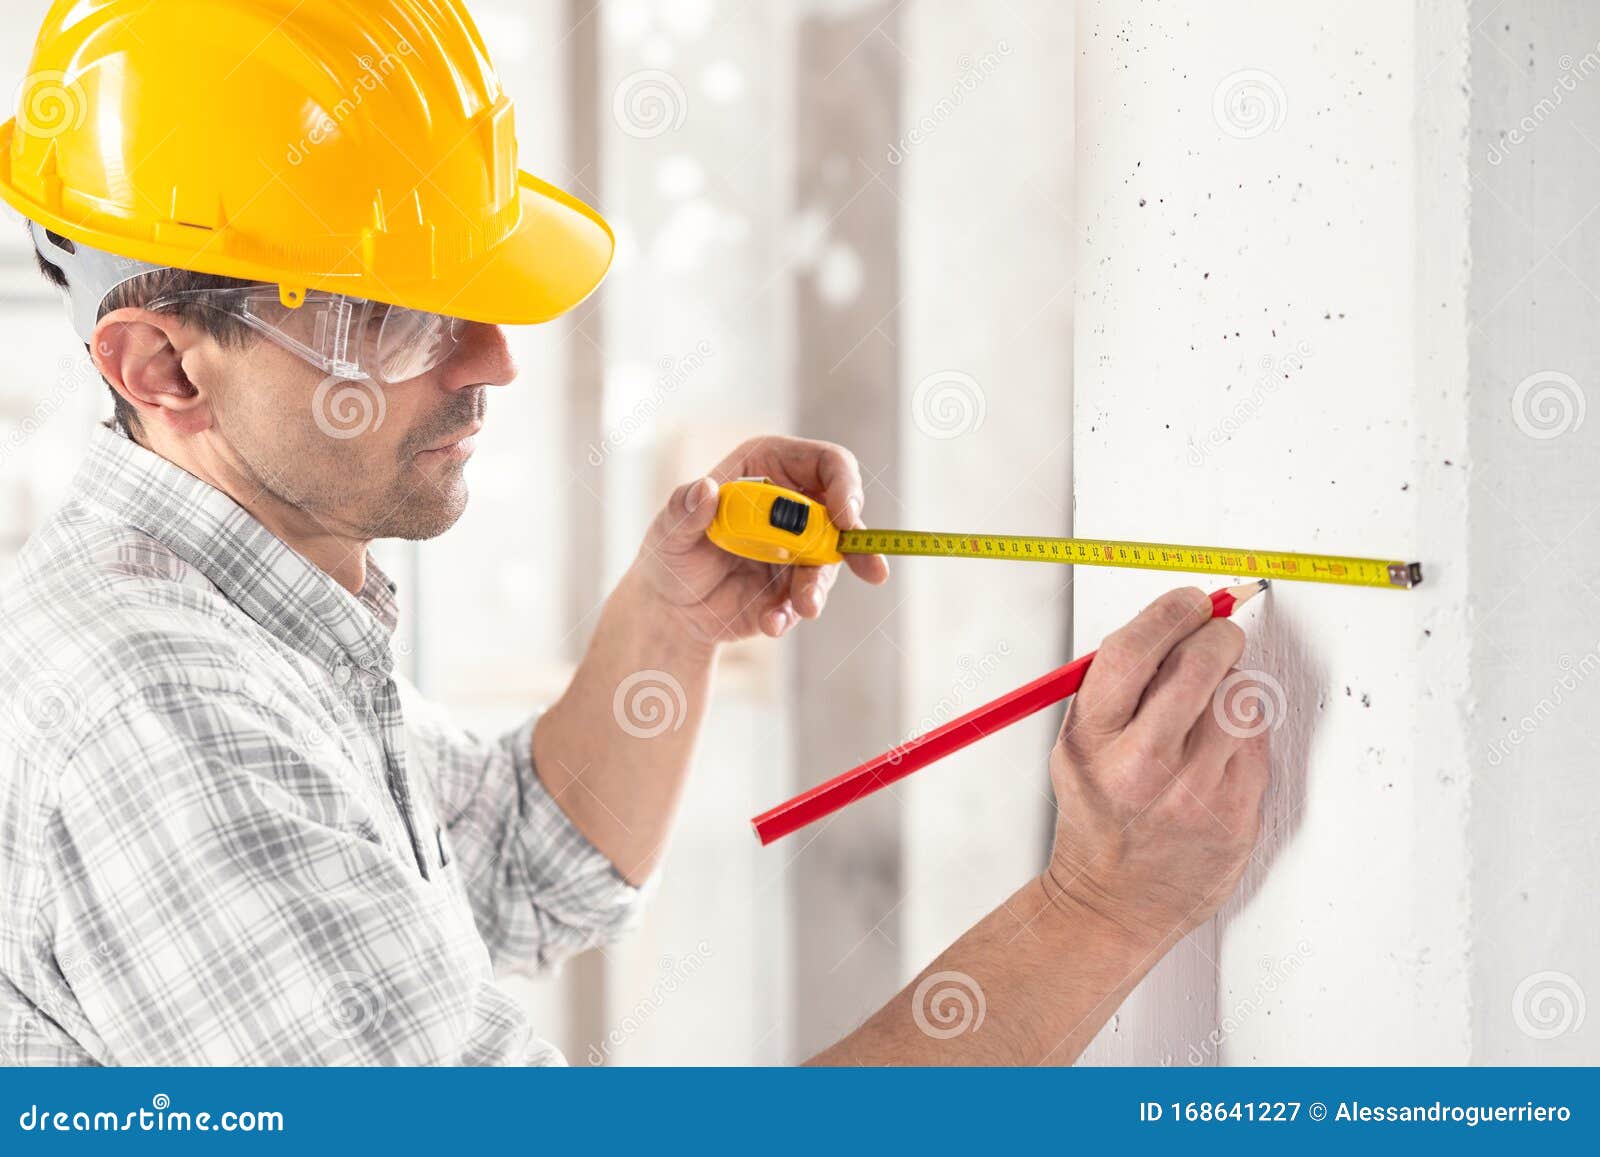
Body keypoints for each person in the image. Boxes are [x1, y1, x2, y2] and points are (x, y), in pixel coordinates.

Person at [0, 0, 1270, 1066]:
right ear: (160, 365)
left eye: (474, 286)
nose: (492, 356)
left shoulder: (246, 610)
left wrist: (671, 618)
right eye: (388, 315)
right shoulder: (159, 718)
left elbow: (514, 870)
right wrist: (1102, 905)